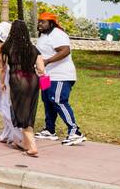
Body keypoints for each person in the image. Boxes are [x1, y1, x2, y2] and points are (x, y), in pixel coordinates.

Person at [36, 11, 84, 145]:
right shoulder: (44, 36)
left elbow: (65, 50)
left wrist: (47, 61)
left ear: (51, 23)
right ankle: (49, 130)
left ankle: (75, 132)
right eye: (39, 21)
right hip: (45, 75)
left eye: (43, 22)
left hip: (60, 75)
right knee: (47, 100)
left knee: (58, 100)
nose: (39, 24)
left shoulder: (57, 34)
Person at [2, 19, 43, 156]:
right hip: (33, 81)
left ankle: (32, 146)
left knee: (22, 113)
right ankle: (26, 144)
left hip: (17, 81)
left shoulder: (7, 47)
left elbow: (3, 68)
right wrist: (45, 85)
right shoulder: (32, 48)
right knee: (29, 112)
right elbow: (41, 68)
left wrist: (2, 83)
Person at [0, 22, 20, 146]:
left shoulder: (2, 46)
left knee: (6, 106)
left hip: (6, 79)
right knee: (1, 105)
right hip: (4, 78)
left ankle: (17, 136)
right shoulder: (8, 45)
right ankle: (7, 133)